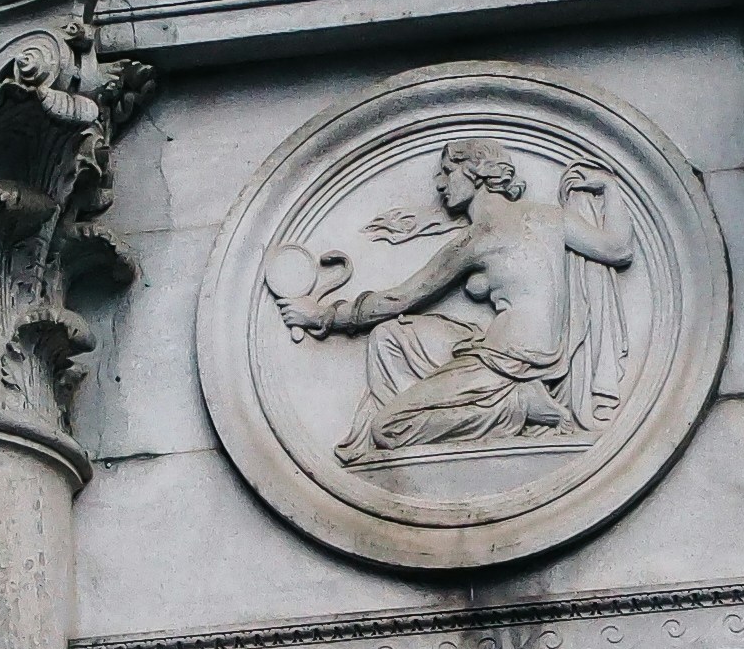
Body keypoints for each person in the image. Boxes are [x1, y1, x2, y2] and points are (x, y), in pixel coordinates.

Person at [272, 136, 637, 470]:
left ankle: (519, 405)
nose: (440, 183)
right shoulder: (549, 217)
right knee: (389, 339)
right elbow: (617, 247)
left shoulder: (478, 239)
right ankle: (458, 404)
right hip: (509, 347)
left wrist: (325, 316)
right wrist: (608, 188)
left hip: (509, 360)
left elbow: (401, 297)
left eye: (447, 172)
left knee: (389, 428)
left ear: (475, 172)